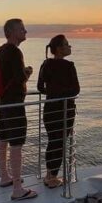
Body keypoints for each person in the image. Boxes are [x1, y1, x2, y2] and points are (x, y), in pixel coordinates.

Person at [0, 18, 37, 201]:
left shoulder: (1, 50)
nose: (25, 32)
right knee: (17, 143)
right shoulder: (14, 51)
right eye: (22, 29)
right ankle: (18, 188)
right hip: (14, 103)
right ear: (11, 32)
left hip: (2, 102)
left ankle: (5, 177)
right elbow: (19, 79)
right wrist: (27, 73)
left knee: (4, 137)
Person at [37, 34, 80, 189]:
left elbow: (40, 88)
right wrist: (61, 94)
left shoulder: (45, 64)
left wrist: (53, 93)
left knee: (52, 141)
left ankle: (49, 174)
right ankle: (53, 178)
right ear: (60, 49)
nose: (70, 47)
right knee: (59, 143)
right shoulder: (69, 66)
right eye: (67, 44)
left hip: (50, 109)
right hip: (64, 110)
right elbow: (75, 89)